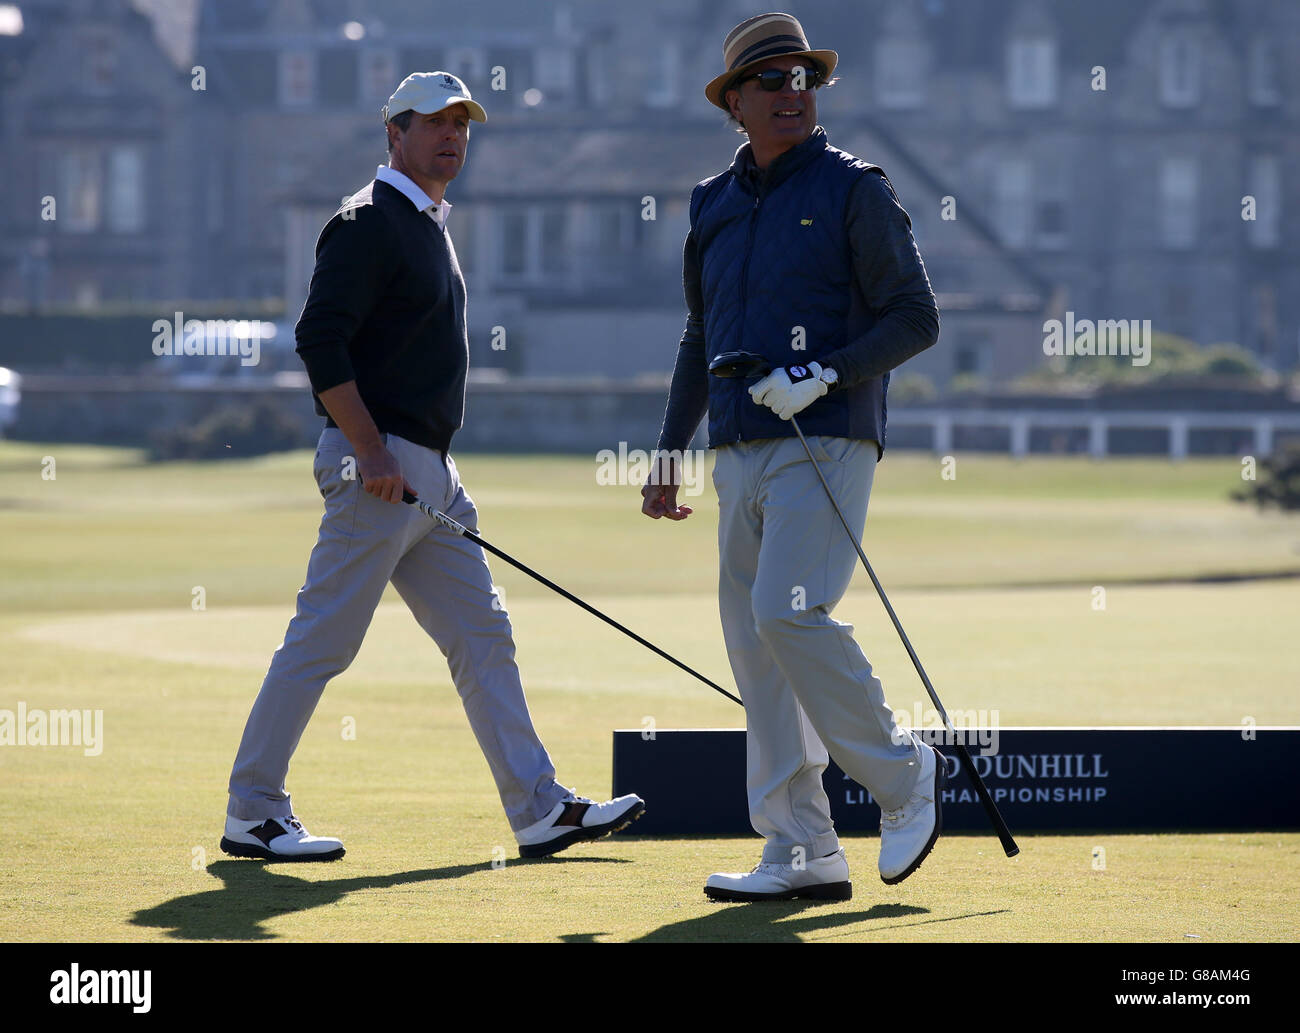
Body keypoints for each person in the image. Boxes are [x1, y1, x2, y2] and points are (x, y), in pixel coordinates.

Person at [222, 71, 644, 863]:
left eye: (462, 124)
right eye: (433, 123)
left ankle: (539, 807)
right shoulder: (367, 221)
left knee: (485, 636)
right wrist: (371, 449)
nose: (452, 136)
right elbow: (318, 341)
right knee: (323, 641)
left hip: (431, 472)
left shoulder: (426, 223)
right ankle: (254, 809)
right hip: (378, 466)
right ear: (394, 134)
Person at [642, 14, 943, 901]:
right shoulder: (712, 199)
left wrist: (825, 372)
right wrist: (669, 450)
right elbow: (702, 332)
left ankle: (903, 777)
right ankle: (801, 847)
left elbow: (916, 318)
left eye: (802, 78)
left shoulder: (858, 190)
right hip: (738, 445)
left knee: (788, 612)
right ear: (735, 102)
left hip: (827, 435)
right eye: (770, 81)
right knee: (756, 648)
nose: (790, 93)